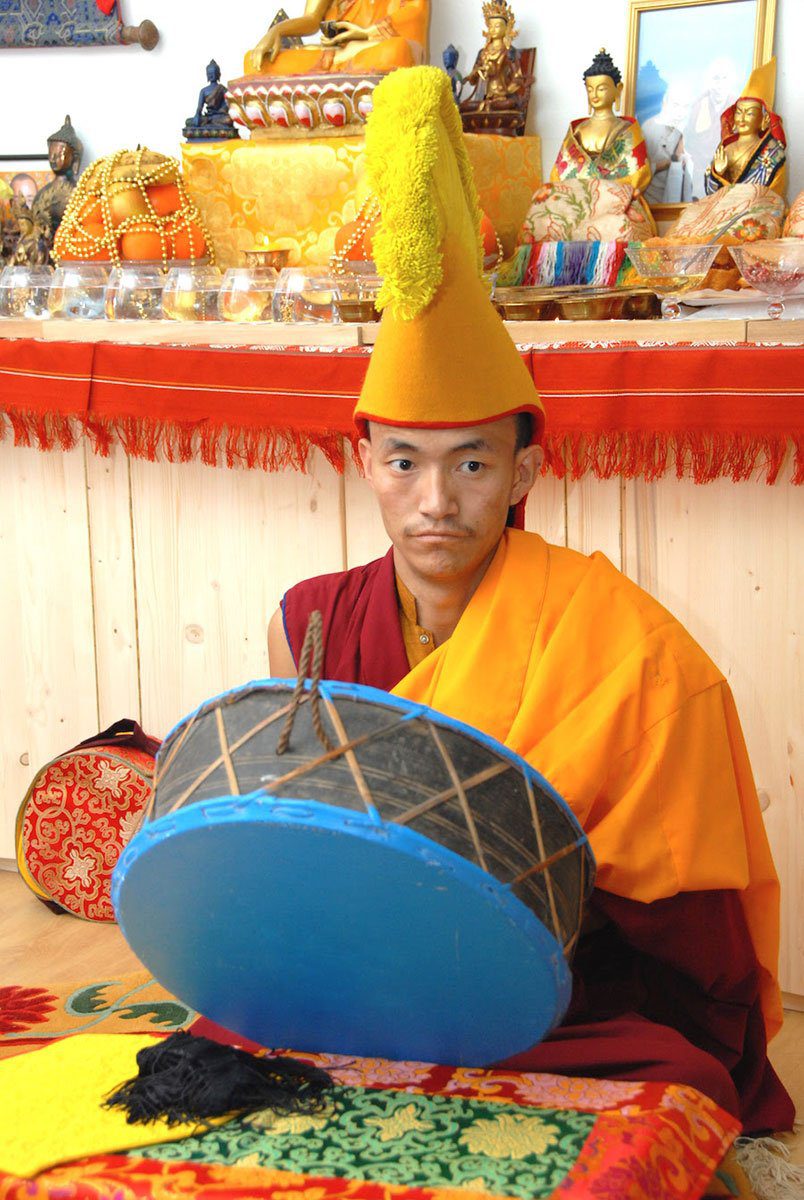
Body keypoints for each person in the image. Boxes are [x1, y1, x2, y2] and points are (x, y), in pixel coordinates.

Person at [268, 65, 793, 1137]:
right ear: (360, 462)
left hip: (565, 983)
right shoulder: (313, 622)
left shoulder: (624, 650)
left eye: (471, 466)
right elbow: (298, 851)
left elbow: (685, 933)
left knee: (670, 1082)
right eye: (404, 463)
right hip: (374, 969)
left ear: (526, 472)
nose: (435, 505)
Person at [244, 0, 429, 76]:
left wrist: (365, 33)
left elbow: (415, 12)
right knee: (256, 63)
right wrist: (277, 30)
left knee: (396, 51)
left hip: (374, 48)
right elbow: (311, 19)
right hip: (332, 53)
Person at [704, 58, 786, 196]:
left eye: (749, 113)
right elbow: (710, 192)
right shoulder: (726, 147)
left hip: (756, 213)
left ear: (764, 119)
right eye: (739, 112)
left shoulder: (772, 153)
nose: (742, 118)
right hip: (723, 213)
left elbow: (770, 196)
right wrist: (718, 173)